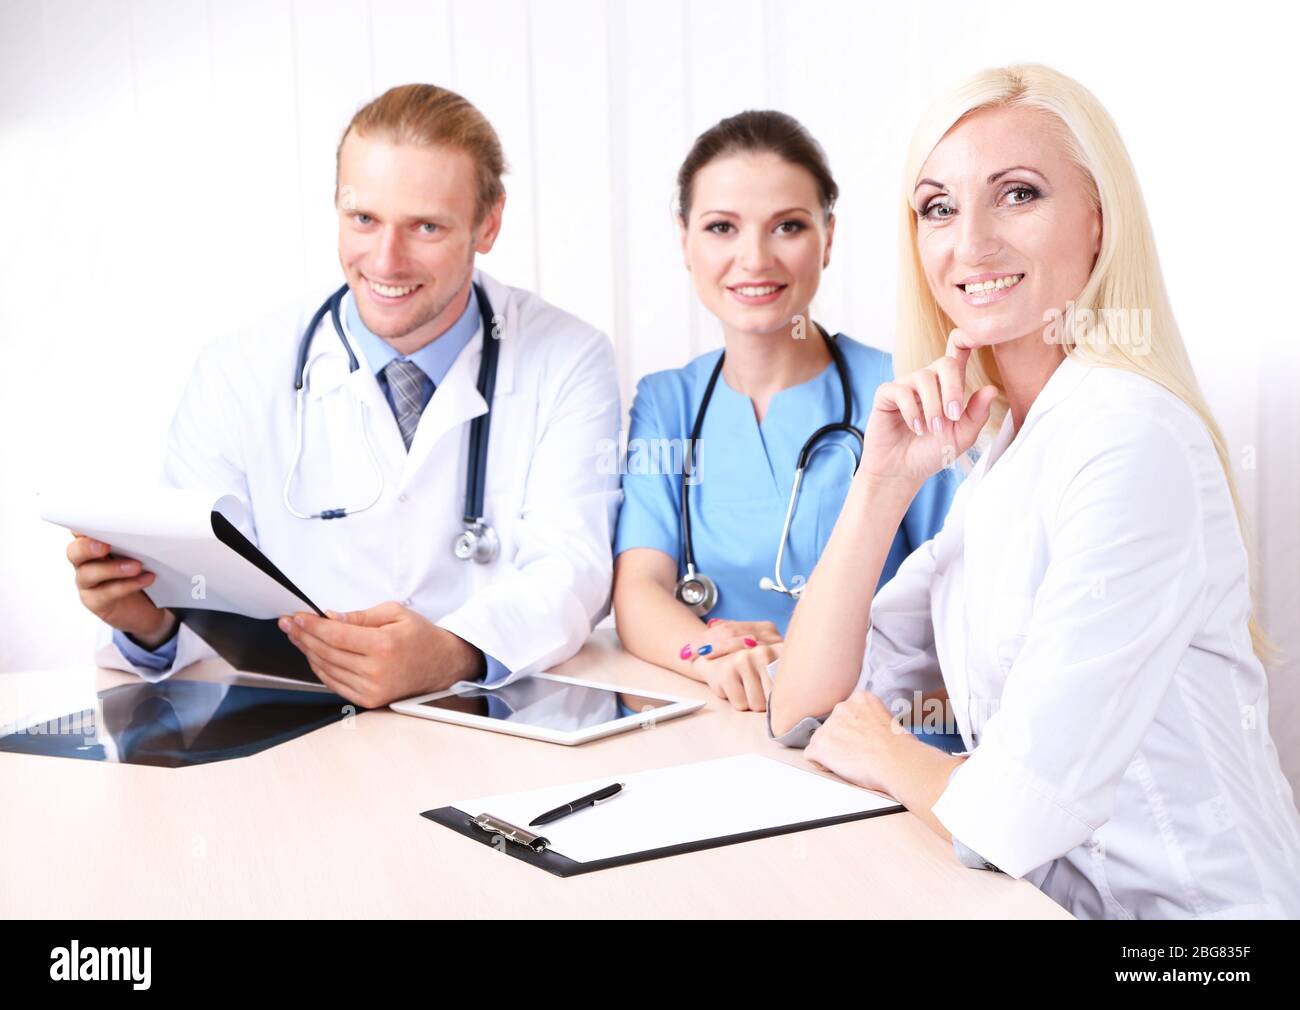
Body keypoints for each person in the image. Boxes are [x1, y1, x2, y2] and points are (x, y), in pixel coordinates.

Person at [767, 64, 1300, 918]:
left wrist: (889, 751)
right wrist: (882, 487)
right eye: (938, 207)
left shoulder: (1131, 438)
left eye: (1017, 195)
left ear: (1098, 222)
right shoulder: (1006, 454)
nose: (969, 244)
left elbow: (1005, 819)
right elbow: (803, 707)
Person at [64, 84, 621, 710]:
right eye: (364, 219)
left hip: (489, 721)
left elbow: (572, 567)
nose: (385, 260)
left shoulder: (568, 357)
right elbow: (205, 585)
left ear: (488, 224)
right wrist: (149, 619)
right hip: (295, 728)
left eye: (427, 226)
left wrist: (451, 650)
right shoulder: (237, 371)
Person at [613, 111, 957, 713]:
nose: (754, 259)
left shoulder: (905, 388)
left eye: (787, 227)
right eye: (721, 227)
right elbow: (639, 591)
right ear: (684, 240)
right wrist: (709, 654)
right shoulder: (668, 402)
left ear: (829, 237)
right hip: (719, 717)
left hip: (875, 721)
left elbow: (961, 605)